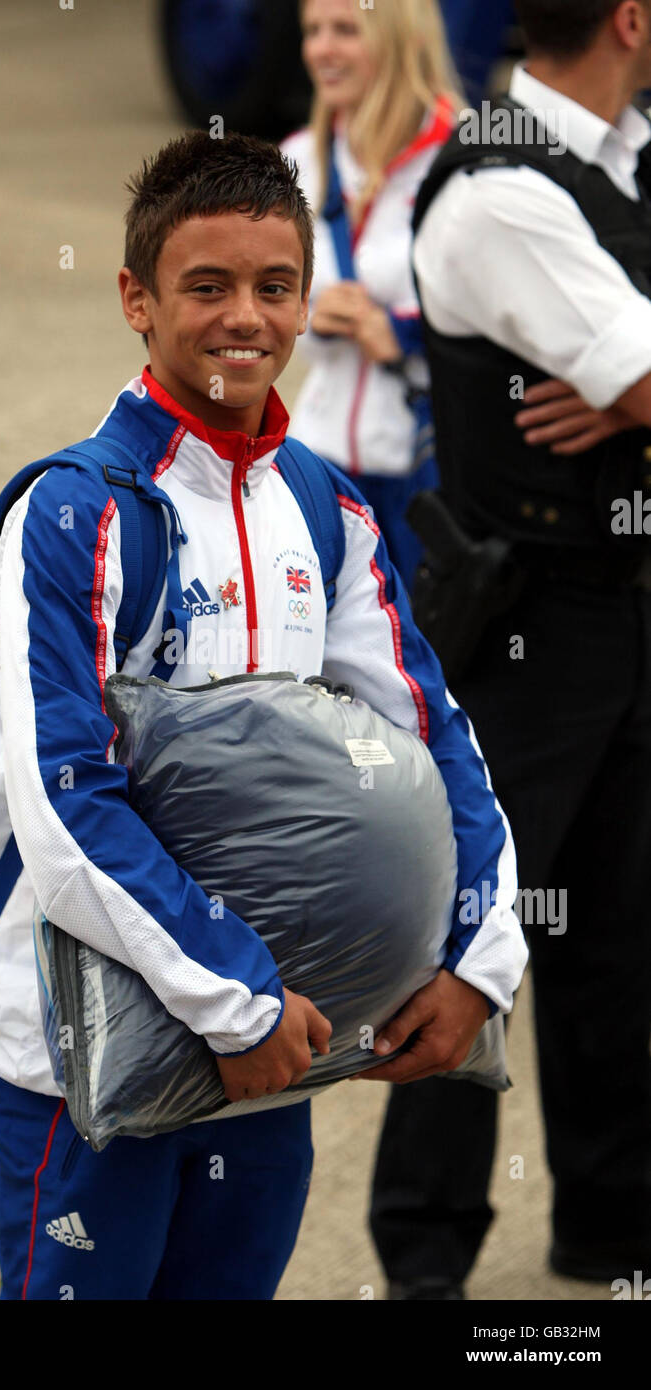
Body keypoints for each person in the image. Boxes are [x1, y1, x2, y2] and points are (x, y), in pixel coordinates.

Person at [0, 129, 527, 1300]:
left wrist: (478, 955)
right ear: (136, 297)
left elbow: (432, 736)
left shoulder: (324, 508)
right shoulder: (71, 515)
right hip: (91, 1064)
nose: (245, 319)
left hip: (274, 1061)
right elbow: (65, 802)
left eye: (274, 288)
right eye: (205, 286)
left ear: (306, 297)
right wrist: (238, 998)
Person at [369, 0, 651, 1299]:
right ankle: (425, 1260)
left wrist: (630, 381)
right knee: (467, 950)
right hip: (521, 635)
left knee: (615, 936)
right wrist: (630, 383)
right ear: (630, 19)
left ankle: (606, 1221)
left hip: (625, 611)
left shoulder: (623, 151)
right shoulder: (497, 191)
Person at [280, 0, 462, 588]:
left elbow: (505, 326)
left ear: (397, 38)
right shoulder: (297, 160)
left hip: (423, 469)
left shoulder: (461, 159)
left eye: (345, 30)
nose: (321, 50)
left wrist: (405, 334)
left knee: (420, 662)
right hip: (318, 461)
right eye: (312, 31)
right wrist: (302, 312)